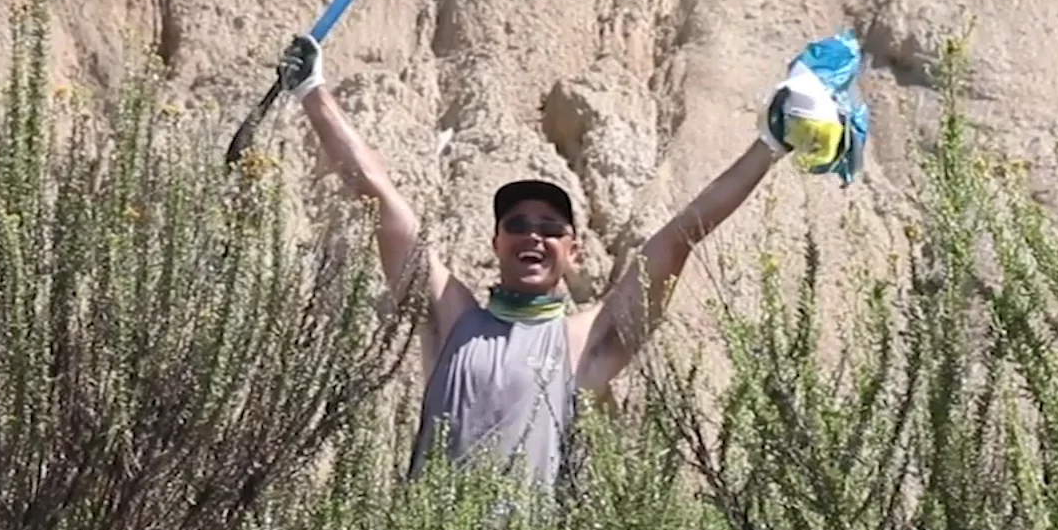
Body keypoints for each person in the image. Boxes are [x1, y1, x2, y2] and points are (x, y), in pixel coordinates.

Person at [272, 31, 861, 492]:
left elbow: (682, 235)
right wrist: (312, 92)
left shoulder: (586, 341)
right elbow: (378, 195)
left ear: (572, 251)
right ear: (496, 243)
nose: (534, 236)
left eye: (551, 228)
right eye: (518, 226)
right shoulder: (450, 319)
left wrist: (768, 146)